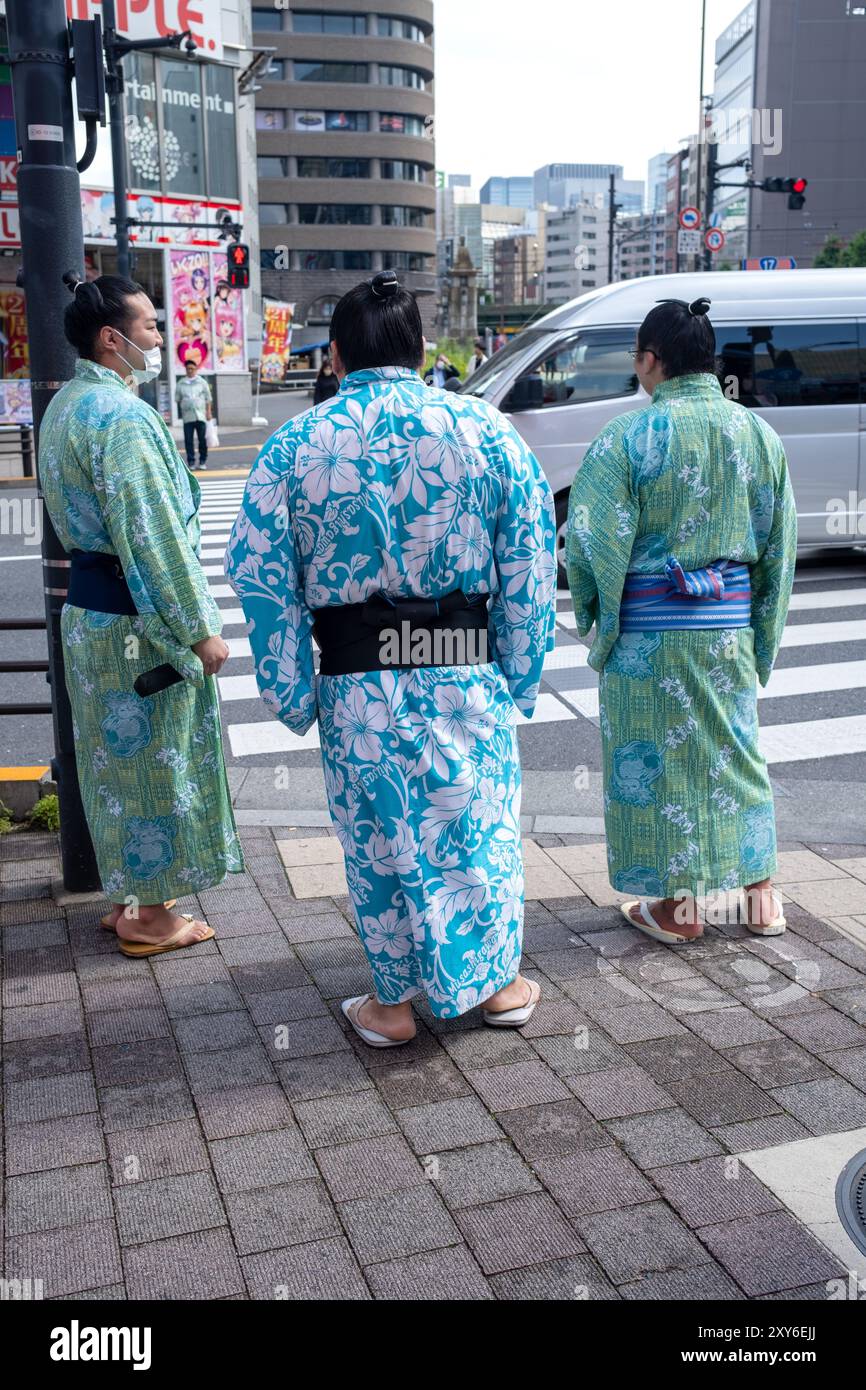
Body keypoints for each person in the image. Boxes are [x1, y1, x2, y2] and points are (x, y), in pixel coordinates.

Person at [226, 270, 557, 1043]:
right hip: (463, 666)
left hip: (358, 680)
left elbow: (261, 575)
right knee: (476, 826)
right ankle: (498, 984)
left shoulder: (296, 446)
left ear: (335, 355)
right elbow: (531, 560)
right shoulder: (486, 431)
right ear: (418, 350)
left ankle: (395, 1005)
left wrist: (292, 691)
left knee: (382, 839)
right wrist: (520, 670)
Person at [566, 296, 797, 944]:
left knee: (662, 765)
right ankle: (762, 901)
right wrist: (760, 634)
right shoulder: (756, 434)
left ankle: (680, 911)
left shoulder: (627, 438)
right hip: (723, 633)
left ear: (650, 360)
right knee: (736, 756)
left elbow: (589, 540)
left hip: (647, 638)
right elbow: (779, 548)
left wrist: (596, 615)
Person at [40, 275, 243, 954]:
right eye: (151, 327)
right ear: (112, 338)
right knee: (158, 765)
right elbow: (151, 533)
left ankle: (132, 895)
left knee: (113, 765)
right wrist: (199, 629)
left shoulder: (68, 404)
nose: (159, 338)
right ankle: (152, 917)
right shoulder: (122, 418)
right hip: (136, 624)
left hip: (92, 618)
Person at [175, 357, 213, 470]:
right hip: (188, 417)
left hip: (200, 415)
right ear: (186, 370)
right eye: (188, 369)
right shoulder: (181, 383)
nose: (190, 370)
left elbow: (208, 398)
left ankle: (202, 461)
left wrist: (208, 412)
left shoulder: (201, 382)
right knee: (188, 440)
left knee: (202, 439)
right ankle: (191, 462)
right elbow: (177, 398)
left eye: (192, 368)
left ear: (196, 369)